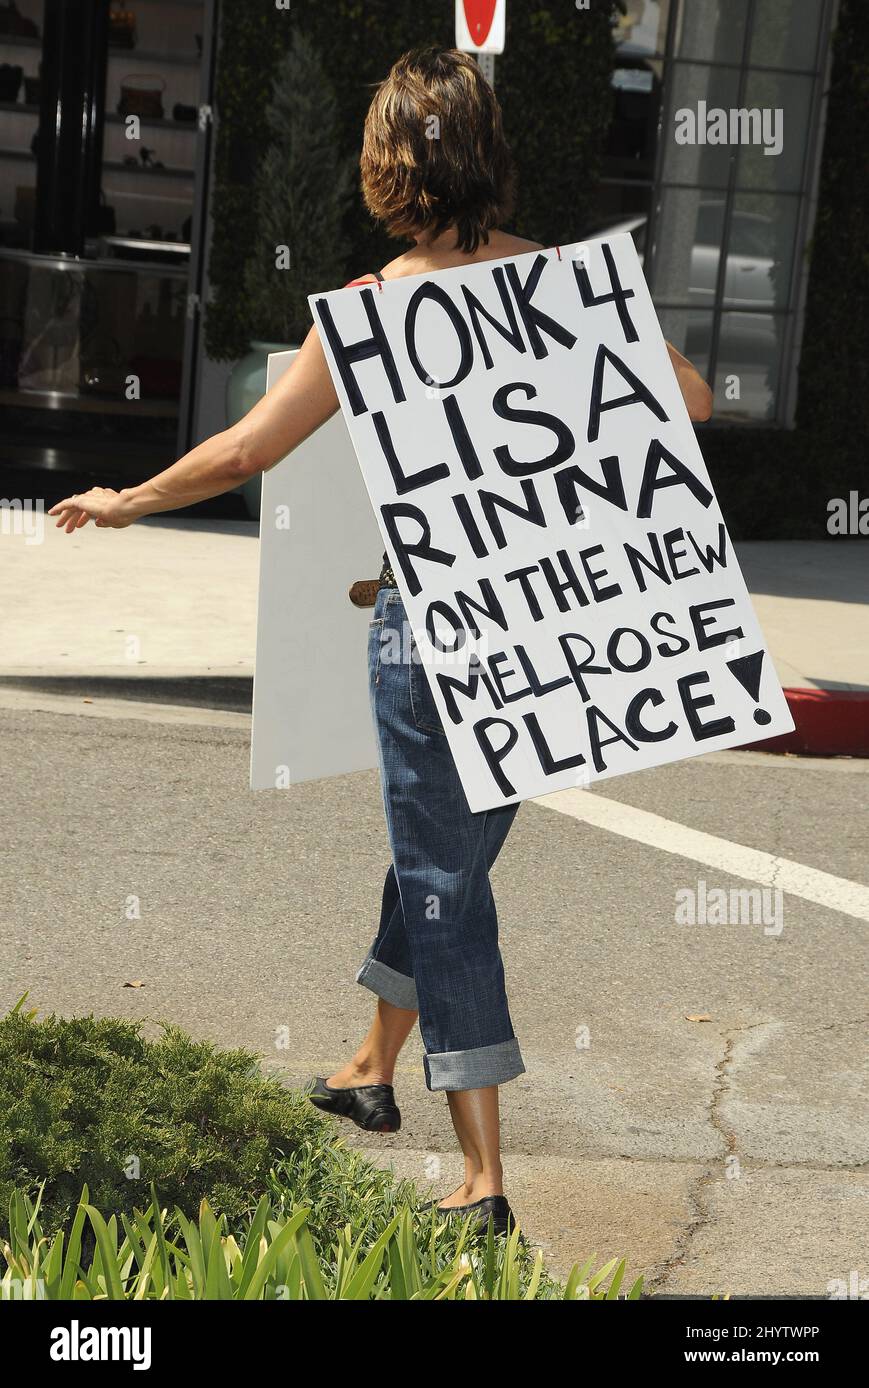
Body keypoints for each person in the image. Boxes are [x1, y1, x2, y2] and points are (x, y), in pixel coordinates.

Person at [50, 46, 712, 1237]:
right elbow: (695, 403)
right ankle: (368, 1068)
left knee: (443, 879)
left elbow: (248, 451)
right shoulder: (555, 283)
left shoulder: (370, 312)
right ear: (487, 162)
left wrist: (125, 499)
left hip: (432, 637)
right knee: (442, 857)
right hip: (548, 634)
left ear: (385, 173)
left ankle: (482, 1181)